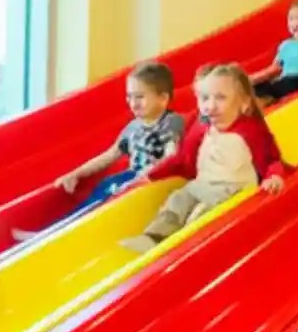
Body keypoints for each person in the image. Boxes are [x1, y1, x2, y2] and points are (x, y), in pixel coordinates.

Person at [120, 63, 287, 253]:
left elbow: (271, 159)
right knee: (177, 199)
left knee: (200, 213)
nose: (211, 105)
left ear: (244, 103)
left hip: (233, 192)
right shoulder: (201, 129)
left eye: (221, 98)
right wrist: (150, 176)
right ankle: (153, 237)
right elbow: (182, 159)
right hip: (202, 185)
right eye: (205, 98)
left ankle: (184, 246)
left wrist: (274, 176)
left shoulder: (251, 131)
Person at [12, 61, 185, 241]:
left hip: (155, 182)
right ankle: (58, 231)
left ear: (162, 99)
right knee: (105, 187)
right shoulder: (133, 128)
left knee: (113, 189)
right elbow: (110, 155)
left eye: (140, 97)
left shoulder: (171, 122)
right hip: (133, 179)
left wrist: (146, 178)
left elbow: (172, 155)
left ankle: (61, 233)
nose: (133, 103)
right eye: (129, 97)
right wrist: (77, 173)